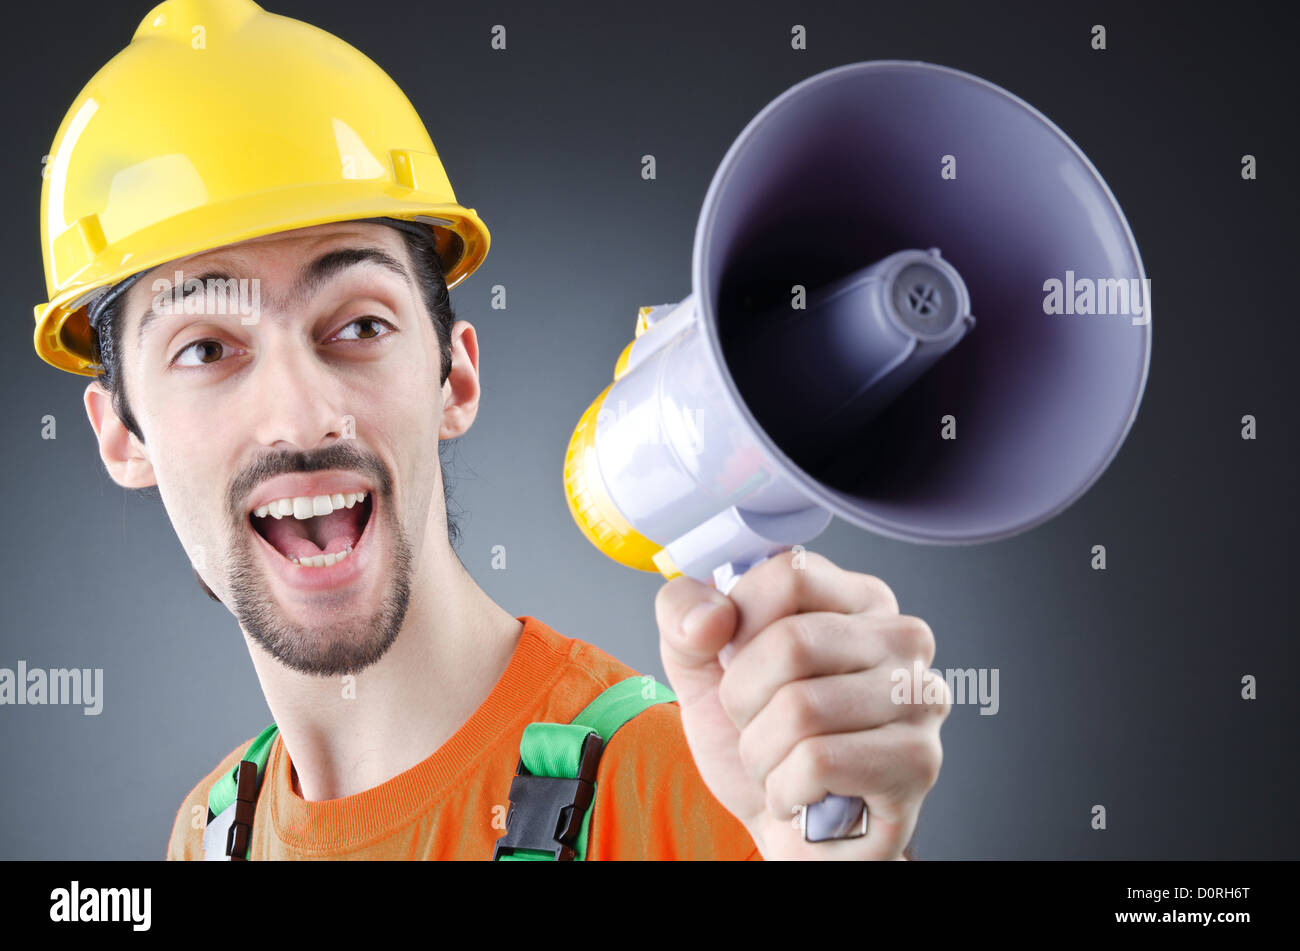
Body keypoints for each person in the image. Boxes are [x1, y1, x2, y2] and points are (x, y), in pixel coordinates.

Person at [34, 0, 949, 860]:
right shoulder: (211, 829)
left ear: (455, 375)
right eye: (205, 348)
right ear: (122, 434)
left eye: (358, 325)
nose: (303, 415)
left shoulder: (695, 790)